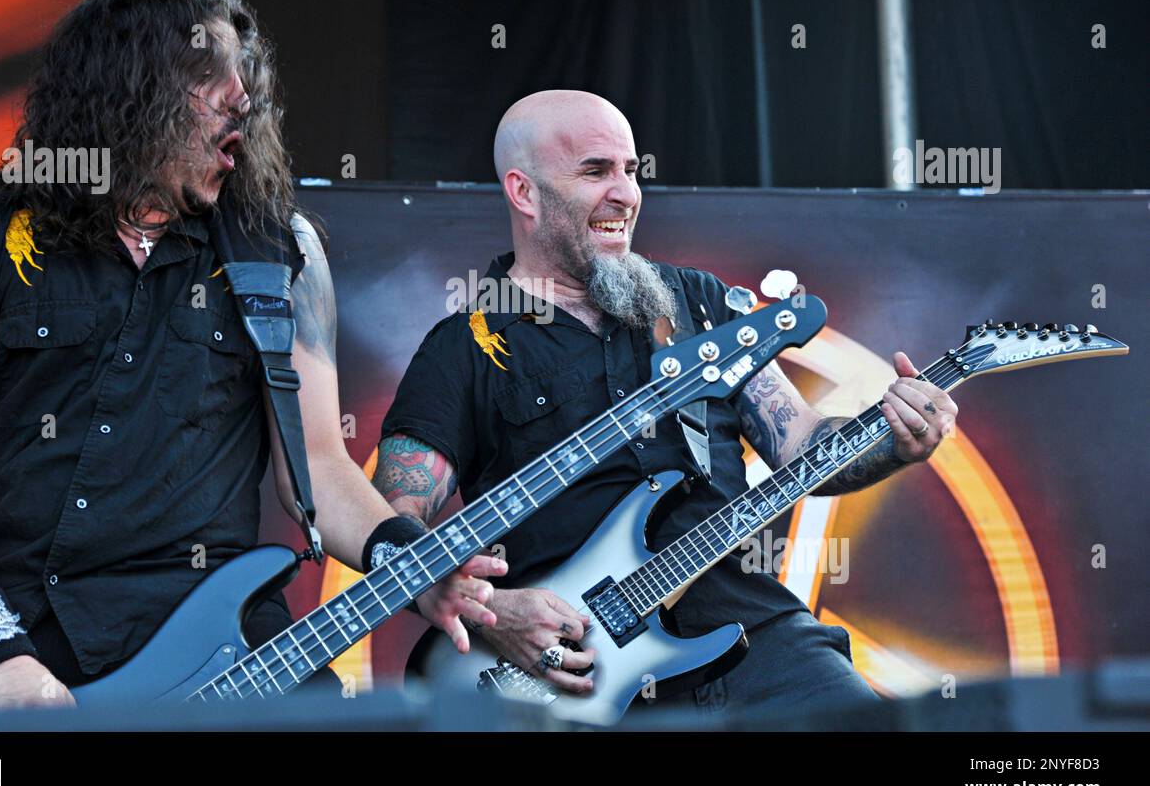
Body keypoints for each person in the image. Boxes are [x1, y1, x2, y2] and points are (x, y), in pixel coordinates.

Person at [0, 0, 502, 710]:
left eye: (250, 79)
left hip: (226, 653)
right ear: (126, 89)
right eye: (213, 76)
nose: (243, 98)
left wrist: (412, 562)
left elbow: (321, 468)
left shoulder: (278, 254)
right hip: (26, 648)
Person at [374, 90, 958, 717]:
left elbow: (804, 447)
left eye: (631, 170)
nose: (625, 193)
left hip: (748, 628)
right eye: (596, 171)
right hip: (574, 667)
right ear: (524, 192)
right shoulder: (463, 348)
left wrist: (894, 438)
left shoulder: (699, 306)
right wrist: (486, 610)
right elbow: (387, 523)